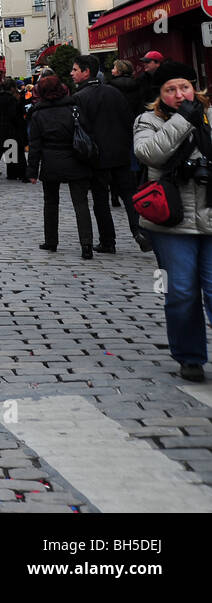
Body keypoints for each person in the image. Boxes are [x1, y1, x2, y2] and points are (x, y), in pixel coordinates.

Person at [132, 62, 212, 382]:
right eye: (171, 89)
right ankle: (189, 356)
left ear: (195, 88)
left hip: (210, 214)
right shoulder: (147, 121)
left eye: (184, 87)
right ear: (160, 95)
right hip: (170, 223)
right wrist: (182, 120)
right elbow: (150, 154)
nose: (179, 94)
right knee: (180, 291)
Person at [73, 53, 141, 251]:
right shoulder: (113, 92)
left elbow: (80, 130)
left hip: (97, 156)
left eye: (75, 69)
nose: (72, 73)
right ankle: (139, 232)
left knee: (101, 200)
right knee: (129, 195)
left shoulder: (79, 97)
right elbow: (129, 121)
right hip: (120, 152)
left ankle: (107, 241)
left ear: (86, 72)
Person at [27, 74, 96, 259]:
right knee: (81, 204)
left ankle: (51, 240)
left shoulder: (38, 113)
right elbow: (87, 131)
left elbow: (35, 145)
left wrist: (32, 171)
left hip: (51, 161)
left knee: (50, 203)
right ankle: (87, 244)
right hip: (76, 159)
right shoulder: (74, 108)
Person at [0, 78, 27, 183]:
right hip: (10, 128)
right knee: (18, 151)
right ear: (12, 88)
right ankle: (22, 175)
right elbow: (14, 115)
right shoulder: (12, 100)